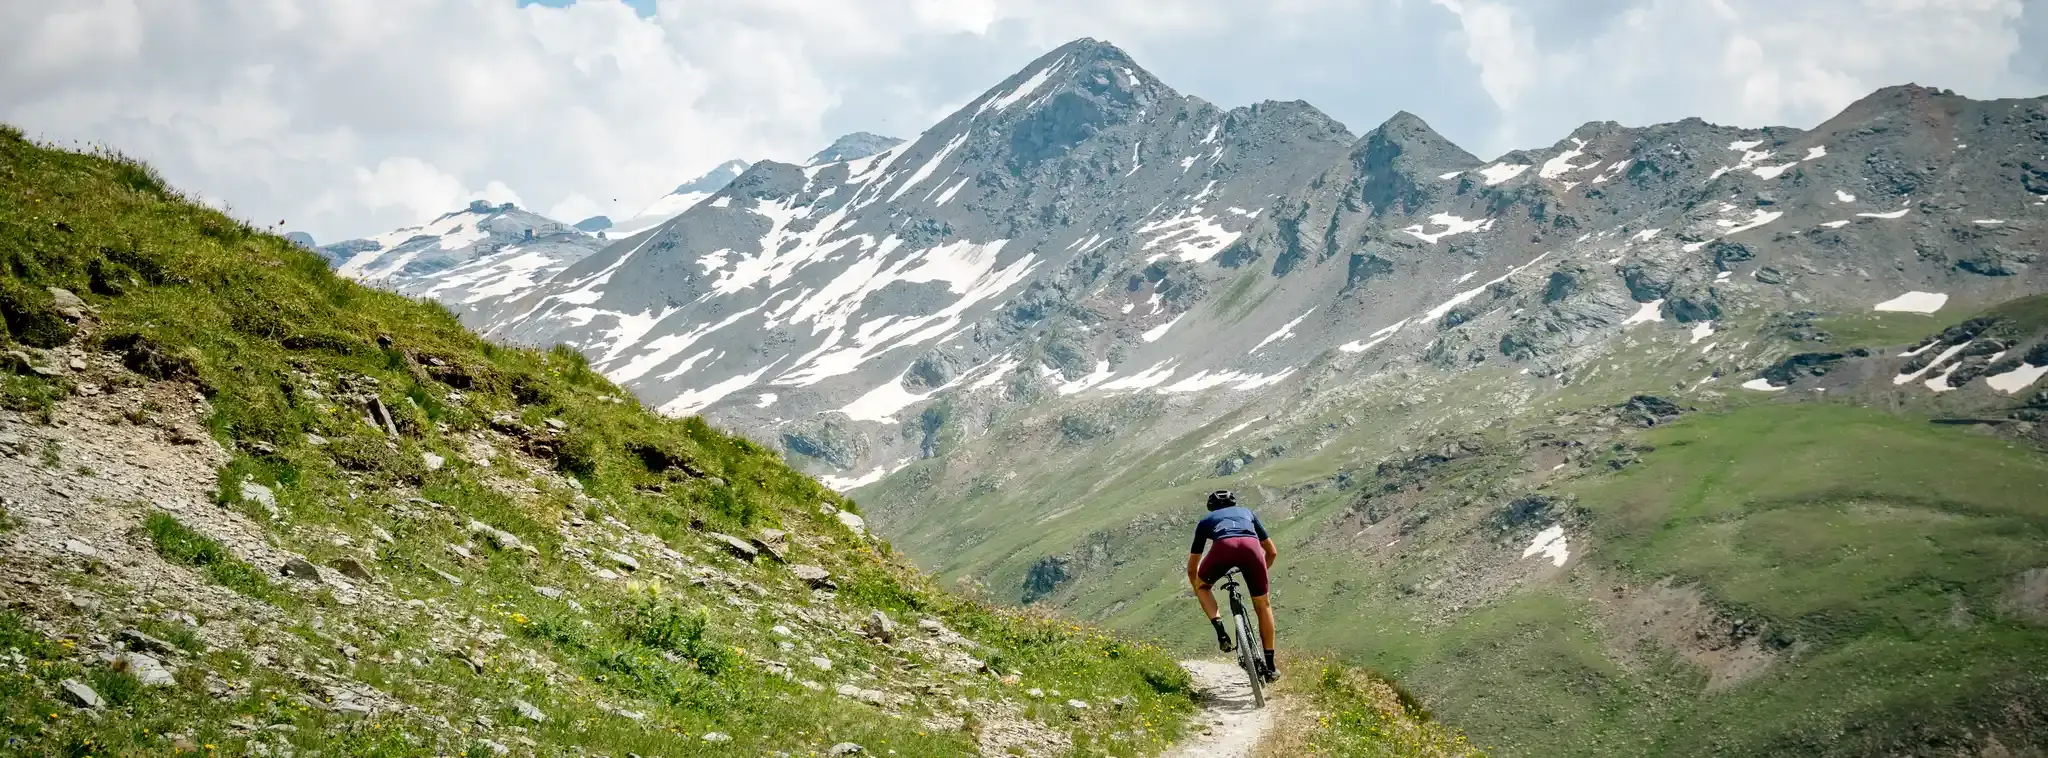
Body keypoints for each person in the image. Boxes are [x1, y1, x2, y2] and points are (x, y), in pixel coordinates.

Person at [1187, 489, 1280, 681]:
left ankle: (1221, 632)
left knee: (1202, 587)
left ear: (1211, 507)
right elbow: (1272, 552)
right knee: (1263, 605)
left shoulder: (1206, 521)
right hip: (1251, 549)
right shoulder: (1247, 513)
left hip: (1223, 548)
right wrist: (1257, 573)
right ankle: (1271, 667)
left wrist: (1198, 586)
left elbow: (1192, 567)